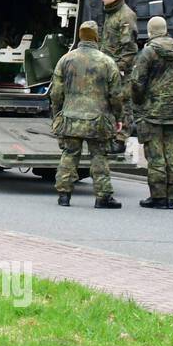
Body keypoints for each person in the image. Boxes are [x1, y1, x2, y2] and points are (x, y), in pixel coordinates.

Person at [49, 20, 125, 209]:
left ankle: (64, 194)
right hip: (97, 119)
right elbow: (116, 95)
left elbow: (56, 93)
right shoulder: (107, 61)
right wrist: (119, 118)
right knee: (99, 156)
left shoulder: (65, 59)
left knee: (69, 154)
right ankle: (103, 196)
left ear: (80, 36)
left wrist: (57, 113)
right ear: (96, 37)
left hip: (71, 117)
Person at [130, 15, 173, 210]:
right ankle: (171, 196)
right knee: (171, 154)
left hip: (152, 108)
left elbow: (137, 81)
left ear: (151, 31)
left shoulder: (148, 52)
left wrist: (137, 101)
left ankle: (158, 196)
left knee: (155, 155)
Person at [97, 0, 138, 156]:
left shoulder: (125, 16)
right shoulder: (111, 13)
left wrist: (118, 68)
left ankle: (120, 139)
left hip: (119, 70)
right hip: (108, 66)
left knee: (122, 102)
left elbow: (129, 49)